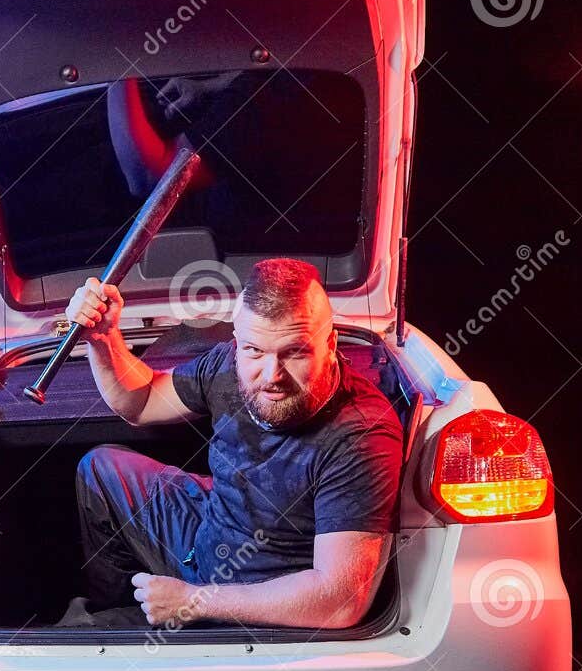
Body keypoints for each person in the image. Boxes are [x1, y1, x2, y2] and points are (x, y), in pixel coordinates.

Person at [68, 257, 403, 630]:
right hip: (207, 533)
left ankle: (120, 625)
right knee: (100, 468)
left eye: (294, 352)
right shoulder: (228, 365)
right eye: (254, 351)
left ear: (330, 343)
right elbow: (141, 401)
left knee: (72, 640)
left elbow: (340, 601)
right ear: (238, 341)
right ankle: (121, 605)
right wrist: (101, 339)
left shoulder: (360, 435)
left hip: (260, 602)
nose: (271, 376)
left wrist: (194, 602)